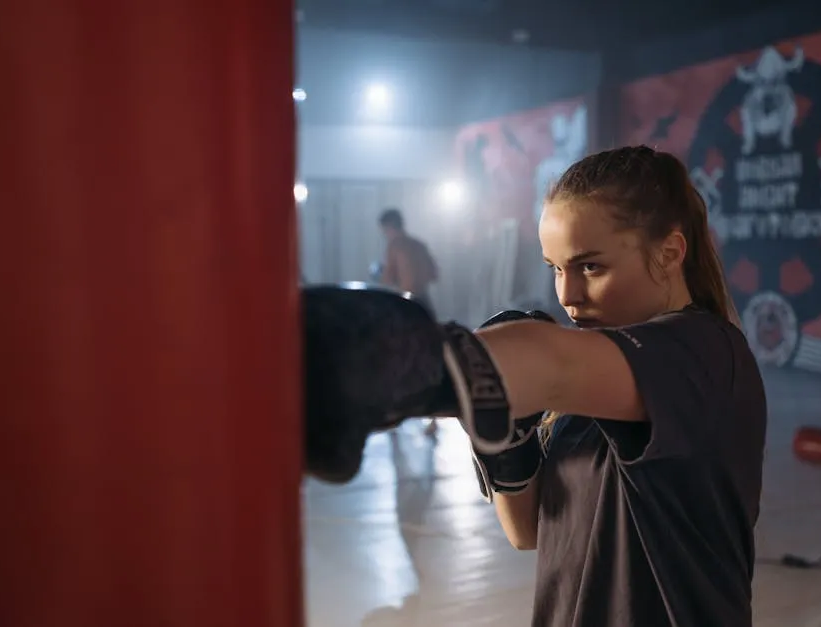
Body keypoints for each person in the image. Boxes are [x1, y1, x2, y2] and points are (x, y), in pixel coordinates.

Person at [306, 146, 766, 626]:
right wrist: (508, 441)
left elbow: (547, 361)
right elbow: (530, 531)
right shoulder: (595, 379)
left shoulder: (705, 354)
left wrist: (381, 360)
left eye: (591, 267)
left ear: (669, 253)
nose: (567, 295)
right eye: (556, 268)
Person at [377, 207, 441, 436]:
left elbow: (387, 278)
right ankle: (434, 417)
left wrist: (382, 274)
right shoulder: (419, 244)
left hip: (406, 303)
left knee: (396, 355)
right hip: (425, 302)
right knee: (432, 355)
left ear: (388, 228)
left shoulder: (395, 245)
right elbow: (434, 273)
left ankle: (393, 412)